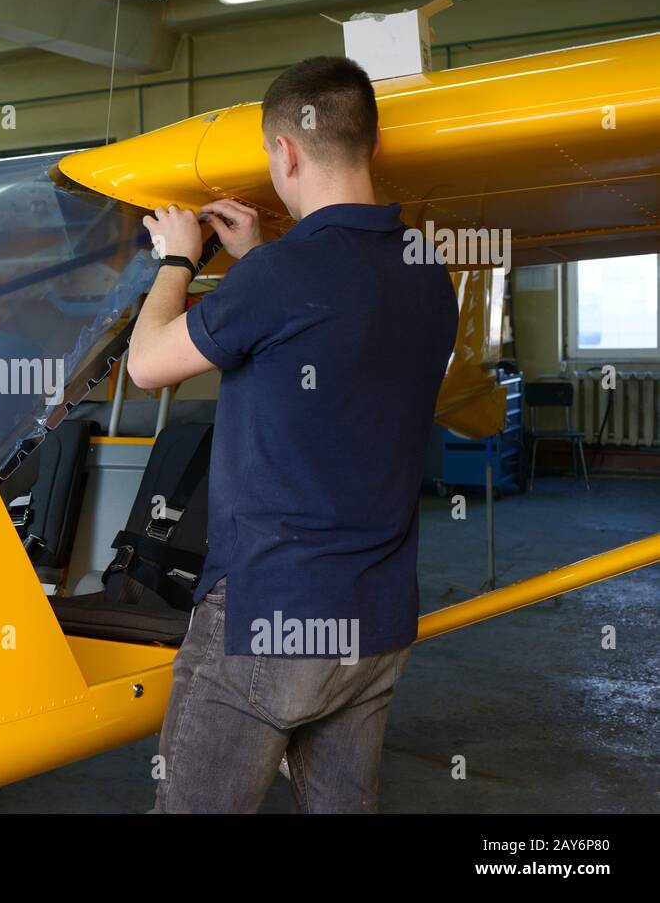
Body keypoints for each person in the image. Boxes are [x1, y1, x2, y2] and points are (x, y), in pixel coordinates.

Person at [130, 56, 458, 813]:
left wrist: (178, 258)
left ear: (285, 152)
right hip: (373, 621)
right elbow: (325, 336)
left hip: (268, 613)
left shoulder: (279, 279)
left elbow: (149, 364)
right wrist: (256, 259)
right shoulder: (427, 270)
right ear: (371, 146)